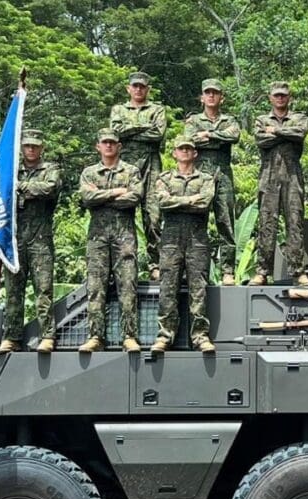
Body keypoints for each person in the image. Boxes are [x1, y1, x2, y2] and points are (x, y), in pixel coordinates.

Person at [77, 129, 144, 353]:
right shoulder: (89, 173)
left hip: (124, 235)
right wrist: (116, 191)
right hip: (98, 236)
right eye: (104, 142)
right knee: (96, 286)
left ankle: (129, 335)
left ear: (119, 146)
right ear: (98, 146)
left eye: (112, 143)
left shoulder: (131, 171)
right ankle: (96, 336)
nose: (108, 146)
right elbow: (87, 198)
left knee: (127, 284)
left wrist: (101, 196)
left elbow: (134, 198)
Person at [0, 129, 61, 355]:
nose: (31, 150)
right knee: (14, 290)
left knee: (43, 289)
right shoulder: (11, 170)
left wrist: (21, 187)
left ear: (42, 148)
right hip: (14, 238)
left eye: (35, 146)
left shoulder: (50, 169)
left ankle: (47, 335)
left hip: (40, 237)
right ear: (22, 148)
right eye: (27, 146)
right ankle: (11, 336)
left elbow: (49, 189)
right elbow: (0, 194)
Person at [150, 137, 217, 354]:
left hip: (197, 238)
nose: (185, 152)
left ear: (195, 153)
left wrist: (177, 201)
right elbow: (162, 202)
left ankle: (200, 335)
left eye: (189, 148)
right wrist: (190, 200)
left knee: (198, 289)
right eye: (181, 148)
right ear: (174, 153)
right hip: (171, 239)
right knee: (168, 288)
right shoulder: (164, 178)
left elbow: (205, 202)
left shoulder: (206, 178)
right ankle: (165, 335)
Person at [250, 82, 308, 287]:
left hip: (292, 175)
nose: (280, 99)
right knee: (267, 224)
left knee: (295, 223)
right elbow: (261, 141)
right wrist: (284, 133)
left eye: (283, 95)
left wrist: (275, 131)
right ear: (270, 97)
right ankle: (262, 271)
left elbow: (300, 134)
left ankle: (298, 270)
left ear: (289, 97)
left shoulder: (299, 118)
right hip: (268, 176)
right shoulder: (261, 120)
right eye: (276, 95)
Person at [109, 71, 167, 279]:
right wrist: (142, 127)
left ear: (147, 89)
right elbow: (116, 133)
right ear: (128, 88)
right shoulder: (119, 109)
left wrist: (130, 130)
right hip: (126, 166)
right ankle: (124, 263)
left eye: (142, 86)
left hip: (151, 164)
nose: (138, 89)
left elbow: (158, 134)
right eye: (135, 86)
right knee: (124, 213)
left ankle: (155, 263)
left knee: (153, 215)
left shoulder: (157, 109)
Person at [184, 78, 240, 285]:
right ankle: (197, 269)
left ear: (221, 98)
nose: (211, 96)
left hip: (222, 173)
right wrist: (218, 138)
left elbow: (233, 136)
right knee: (197, 222)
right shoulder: (193, 120)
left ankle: (227, 270)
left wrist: (208, 134)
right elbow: (189, 140)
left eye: (215, 93)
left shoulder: (229, 120)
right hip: (200, 175)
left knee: (225, 222)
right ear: (202, 97)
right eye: (207, 92)